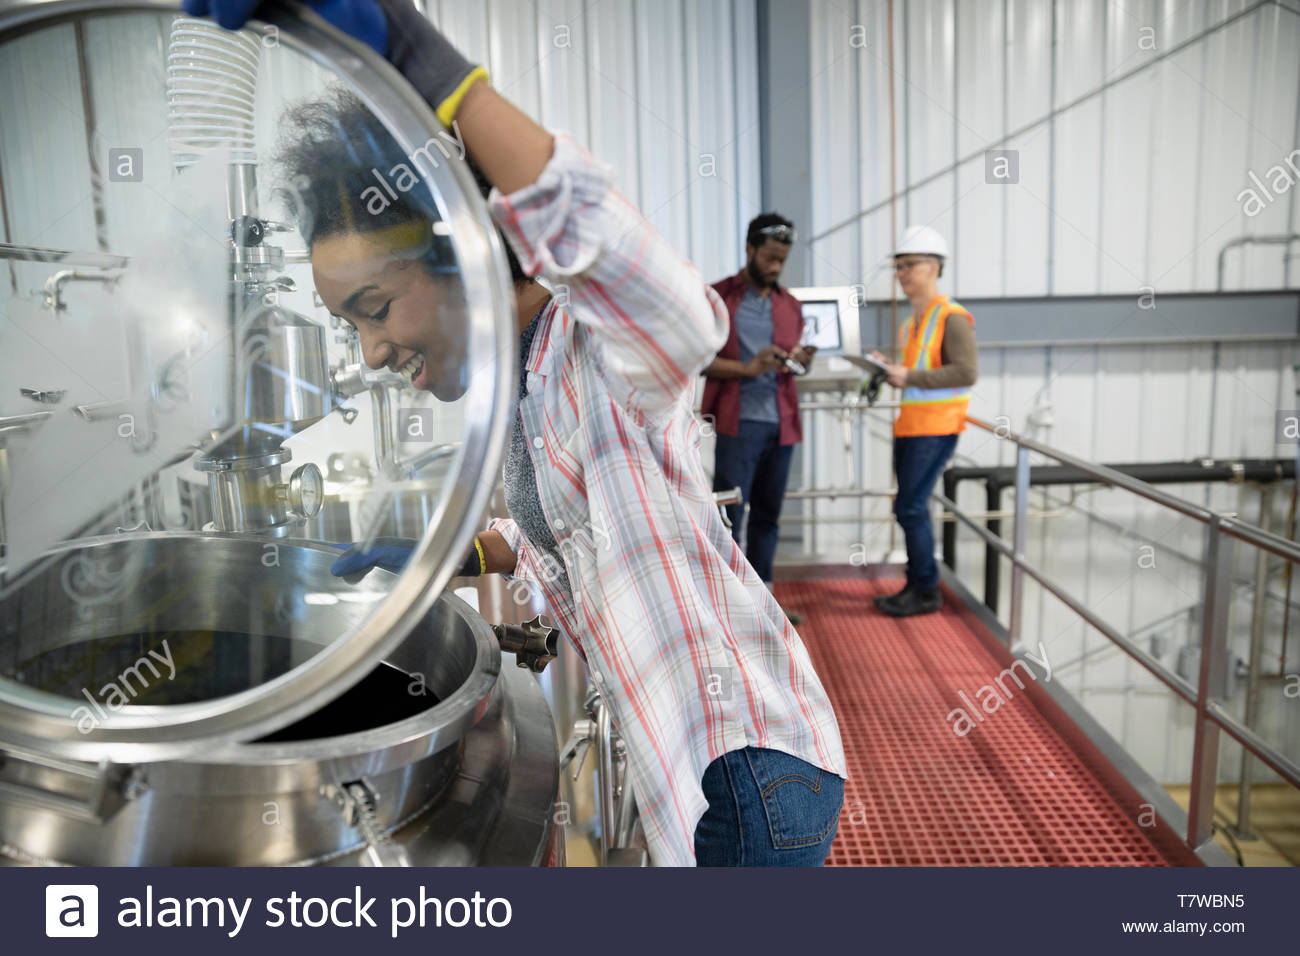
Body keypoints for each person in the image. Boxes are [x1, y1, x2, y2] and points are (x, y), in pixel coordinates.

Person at [185, 0, 846, 867]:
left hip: (748, 773)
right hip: (695, 779)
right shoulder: (522, 385)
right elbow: (571, 537)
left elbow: (684, 314)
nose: (373, 351)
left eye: (374, 311)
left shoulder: (592, 347)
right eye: (350, 327)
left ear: (462, 253)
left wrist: (430, 65)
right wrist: (449, 552)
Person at [702, 214, 815, 616]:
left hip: (781, 425)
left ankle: (765, 603)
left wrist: (801, 361)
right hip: (737, 423)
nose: (775, 267)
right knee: (729, 515)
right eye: (768, 257)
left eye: (781, 260)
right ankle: (728, 604)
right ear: (749, 249)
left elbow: (794, 362)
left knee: (769, 515)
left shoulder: (791, 306)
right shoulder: (717, 299)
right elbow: (698, 361)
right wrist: (749, 370)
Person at [871, 225, 978, 618]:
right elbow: (920, 371)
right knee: (910, 507)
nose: (902, 273)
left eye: (909, 265)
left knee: (911, 508)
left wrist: (908, 376)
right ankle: (917, 584)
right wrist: (891, 370)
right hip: (913, 427)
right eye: (898, 267)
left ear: (934, 267)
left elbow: (966, 372)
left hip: (936, 428)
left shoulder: (952, 318)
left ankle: (925, 589)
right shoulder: (915, 321)